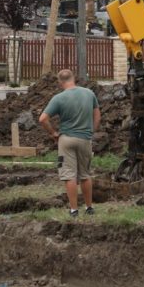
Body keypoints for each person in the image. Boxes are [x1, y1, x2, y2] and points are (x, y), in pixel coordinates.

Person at [39, 69, 101, 217]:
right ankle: (89, 207)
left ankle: (74, 210)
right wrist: (91, 132)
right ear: (74, 78)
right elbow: (97, 116)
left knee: (69, 176)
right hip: (84, 139)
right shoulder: (89, 93)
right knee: (85, 175)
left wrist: (53, 133)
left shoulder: (59, 98)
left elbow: (42, 119)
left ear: (60, 82)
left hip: (66, 139)